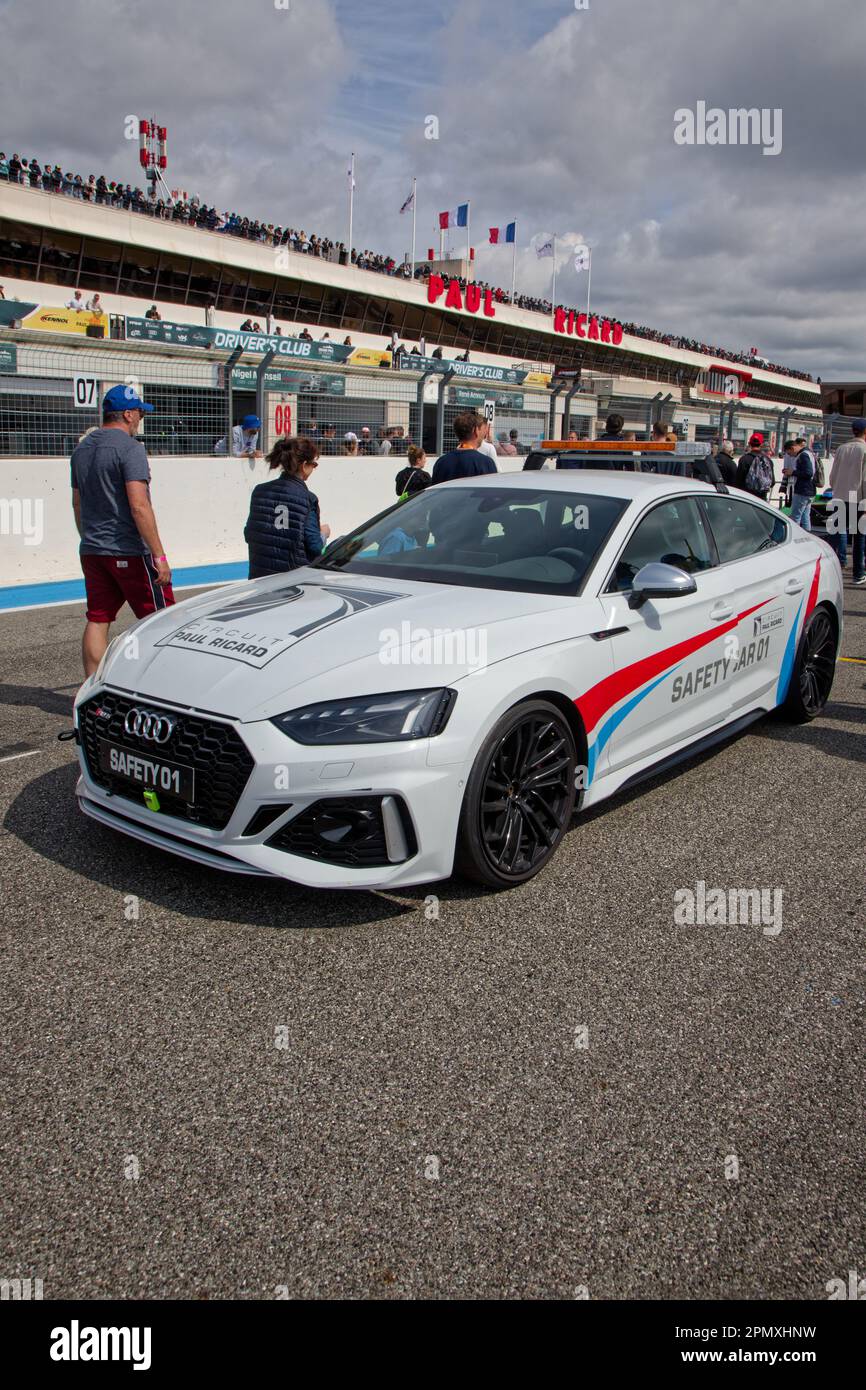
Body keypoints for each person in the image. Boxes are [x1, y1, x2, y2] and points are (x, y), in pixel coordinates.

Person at [70, 385, 173, 678]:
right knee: (163, 620)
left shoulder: (81, 450)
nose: (140, 417)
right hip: (128, 549)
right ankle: (162, 686)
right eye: (139, 412)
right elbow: (139, 506)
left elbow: (77, 504)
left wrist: (88, 538)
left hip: (92, 549)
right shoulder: (130, 449)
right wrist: (159, 556)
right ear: (127, 414)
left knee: (97, 619)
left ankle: (91, 688)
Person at [244, 437, 330, 579]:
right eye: (314, 464)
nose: (314, 468)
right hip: (294, 582)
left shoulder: (259, 491)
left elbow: (249, 533)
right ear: (303, 465)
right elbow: (314, 545)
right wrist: (324, 533)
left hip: (260, 577)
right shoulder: (308, 498)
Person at [828, 418, 866, 582]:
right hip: (857, 497)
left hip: (840, 495)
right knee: (859, 537)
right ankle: (858, 573)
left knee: (840, 532)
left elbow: (832, 476)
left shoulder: (842, 448)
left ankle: (838, 566)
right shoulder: (864, 449)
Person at [431, 411, 499, 484]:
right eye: (482, 429)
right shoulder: (486, 463)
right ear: (475, 430)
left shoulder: (441, 462)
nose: (485, 433)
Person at [782, 438, 815, 530]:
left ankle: (796, 538)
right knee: (805, 517)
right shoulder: (808, 453)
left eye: (789, 453)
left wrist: (792, 472)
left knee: (796, 517)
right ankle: (807, 536)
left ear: (792, 448)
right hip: (810, 490)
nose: (791, 456)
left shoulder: (803, 455)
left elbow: (808, 473)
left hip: (802, 490)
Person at [736, 432, 774, 501]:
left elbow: (738, 480)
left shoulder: (744, 459)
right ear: (762, 444)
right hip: (762, 499)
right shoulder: (768, 460)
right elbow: (772, 482)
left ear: (749, 444)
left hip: (747, 497)